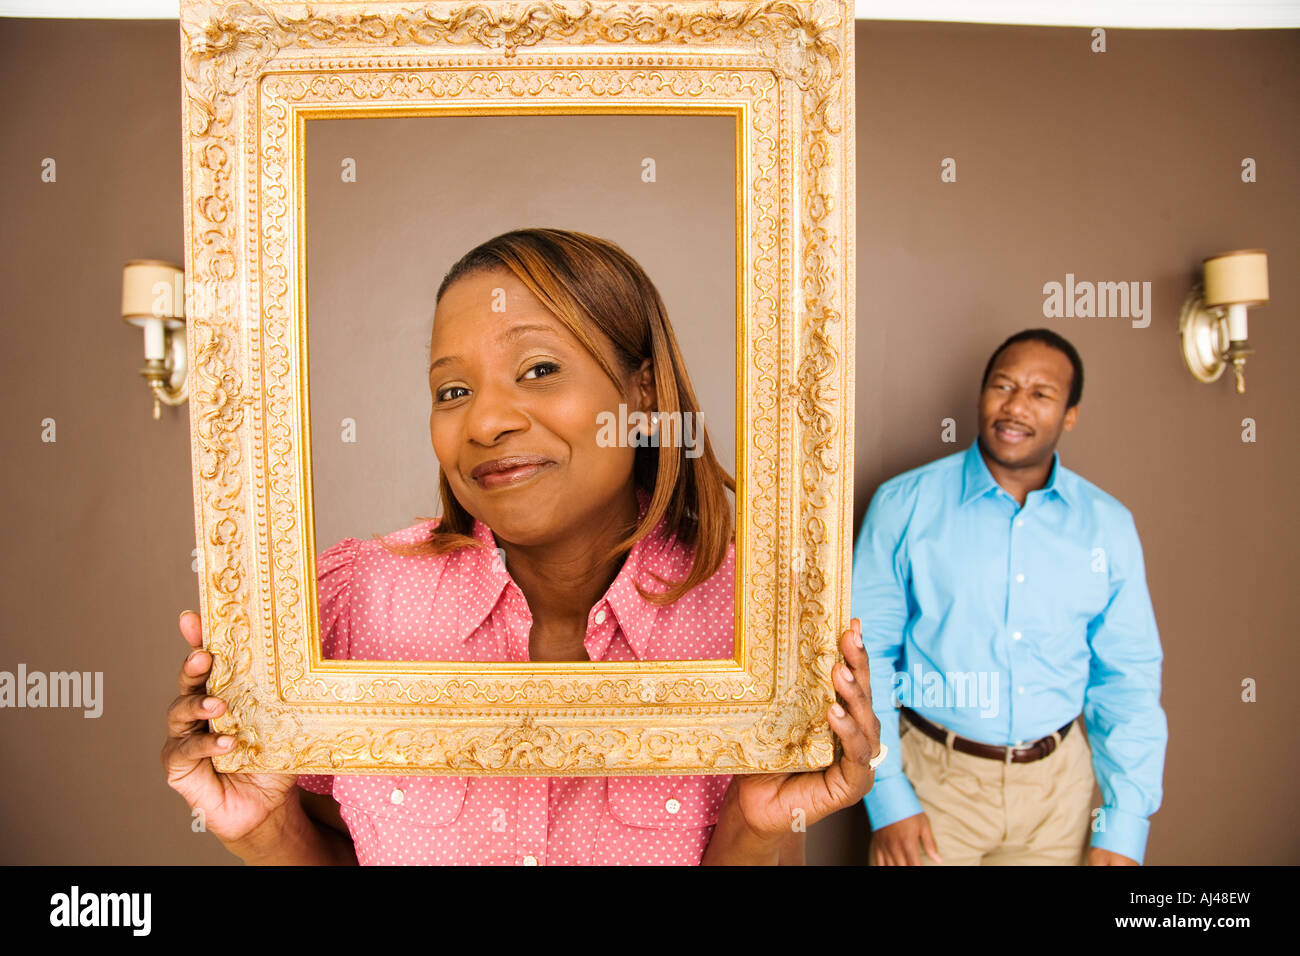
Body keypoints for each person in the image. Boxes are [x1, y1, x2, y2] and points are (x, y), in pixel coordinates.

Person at [163, 227, 881, 865]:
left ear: (645, 397)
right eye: (451, 390)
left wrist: (754, 831)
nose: (486, 422)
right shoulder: (358, 607)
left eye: (538, 370)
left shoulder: (756, 622)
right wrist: (264, 833)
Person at [853, 328, 1166, 866]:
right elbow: (866, 657)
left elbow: (1128, 680)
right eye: (1003, 386)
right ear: (981, 395)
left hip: (1058, 795)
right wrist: (888, 797)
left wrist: (1122, 826)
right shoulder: (904, 505)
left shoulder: (1108, 526)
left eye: (1041, 394)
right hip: (934, 783)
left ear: (1070, 414)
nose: (1016, 406)